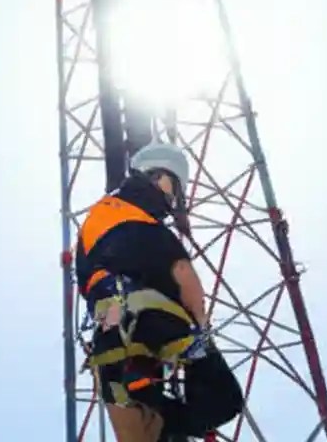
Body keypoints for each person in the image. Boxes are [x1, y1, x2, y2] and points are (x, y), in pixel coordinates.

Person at [75, 142, 244, 441]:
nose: (172, 198)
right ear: (154, 176)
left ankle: (149, 402)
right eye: (172, 186)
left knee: (138, 429)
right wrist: (202, 328)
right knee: (223, 399)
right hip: (154, 322)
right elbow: (183, 275)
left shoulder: (95, 221)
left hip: (109, 337)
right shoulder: (145, 226)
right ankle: (168, 420)